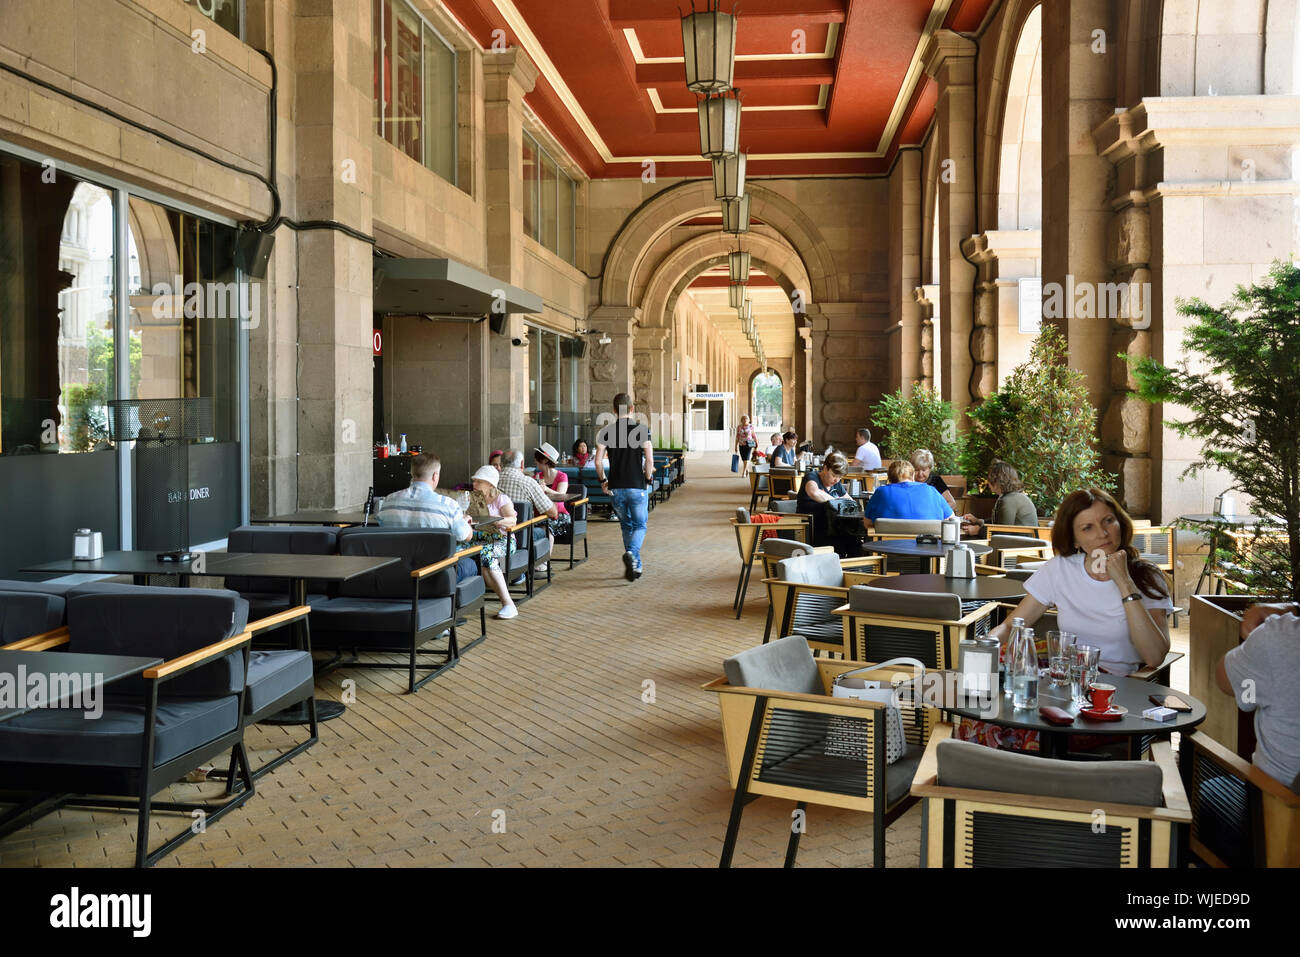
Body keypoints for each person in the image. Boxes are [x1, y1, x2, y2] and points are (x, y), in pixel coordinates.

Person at [988, 488, 1172, 675]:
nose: (1103, 533)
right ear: (1075, 540)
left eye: (1108, 521)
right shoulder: (1061, 569)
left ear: (1120, 523)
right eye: (1088, 527)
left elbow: (1155, 656)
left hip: (1120, 689)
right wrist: (987, 645)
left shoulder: (1147, 576)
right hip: (1067, 682)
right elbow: (1012, 626)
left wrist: (1125, 583)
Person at [1217, 602, 1300, 792]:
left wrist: (1255, 649)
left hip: (1275, 807)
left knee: (1204, 788)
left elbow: (1226, 682)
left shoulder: (1280, 637)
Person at [375, 452, 478, 582]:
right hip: (435, 574)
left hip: (396, 574)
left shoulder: (388, 501)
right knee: (471, 564)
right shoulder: (448, 505)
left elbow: (381, 526)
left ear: (412, 473)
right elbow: (466, 536)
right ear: (435, 476)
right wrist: (464, 522)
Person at [595, 392, 655, 581]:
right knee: (640, 525)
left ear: (613, 410)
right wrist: (647, 478)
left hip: (615, 488)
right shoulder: (642, 430)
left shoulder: (605, 432)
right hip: (637, 486)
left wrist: (603, 481)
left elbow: (598, 462)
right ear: (632, 409)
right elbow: (650, 460)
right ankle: (631, 554)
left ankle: (636, 566)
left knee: (626, 527)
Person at [497, 449, 560, 578]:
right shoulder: (528, 482)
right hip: (521, 535)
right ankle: (538, 567)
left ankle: (514, 571)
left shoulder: (492, 481)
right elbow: (553, 512)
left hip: (495, 534)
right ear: (522, 464)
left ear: (501, 463)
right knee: (546, 530)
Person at [467, 465, 519, 620]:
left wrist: (495, 521)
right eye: (474, 481)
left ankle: (508, 603)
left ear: (490, 485)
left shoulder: (502, 499)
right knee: (453, 549)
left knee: (486, 554)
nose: (474, 485)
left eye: (478, 482)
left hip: (503, 540)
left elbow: (513, 520)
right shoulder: (474, 499)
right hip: (480, 538)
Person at [863, 459, 953, 529]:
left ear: (889, 478)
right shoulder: (931, 490)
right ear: (913, 476)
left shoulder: (880, 492)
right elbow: (950, 518)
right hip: (928, 547)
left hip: (889, 548)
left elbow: (867, 523)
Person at [796, 451, 855, 554]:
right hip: (812, 527)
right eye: (834, 475)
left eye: (840, 477)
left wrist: (844, 503)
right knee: (844, 542)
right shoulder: (811, 477)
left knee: (856, 541)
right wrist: (836, 503)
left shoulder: (836, 484)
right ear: (825, 468)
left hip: (831, 528)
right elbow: (814, 492)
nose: (837, 480)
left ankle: (853, 567)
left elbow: (850, 501)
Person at [961, 460, 1039, 534]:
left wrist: (978, 531)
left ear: (998, 481)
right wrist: (978, 521)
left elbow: (1002, 531)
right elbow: (998, 522)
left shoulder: (1008, 500)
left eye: (989, 479)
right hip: (1021, 542)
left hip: (1021, 545)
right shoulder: (1011, 496)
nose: (988, 483)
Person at [533, 442, 574, 566]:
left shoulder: (562, 476)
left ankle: (544, 563)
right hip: (541, 514)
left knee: (547, 528)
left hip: (560, 515)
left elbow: (561, 496)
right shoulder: (537, 476)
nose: (535, 462)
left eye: (537, 459)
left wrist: (546, 489)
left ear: (545, 460)